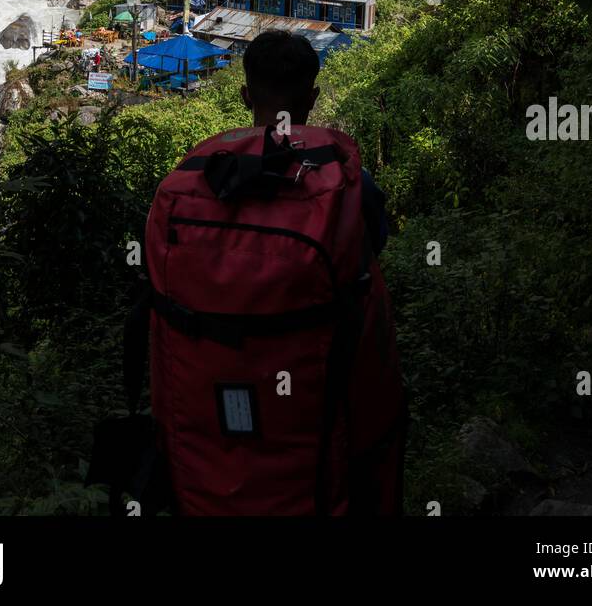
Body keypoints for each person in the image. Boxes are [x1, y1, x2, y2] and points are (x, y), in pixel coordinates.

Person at [143, 28, 406, 516]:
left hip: (204, 453)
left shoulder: (193, 177)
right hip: (312, 447)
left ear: (245, 94)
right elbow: (369, 261)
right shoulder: (346, 182)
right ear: (313, 96)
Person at [240, 31, 389, 256]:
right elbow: (373, 246)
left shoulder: (211, 167)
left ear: (245, 96)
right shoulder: (351, 181)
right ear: (313, 98)